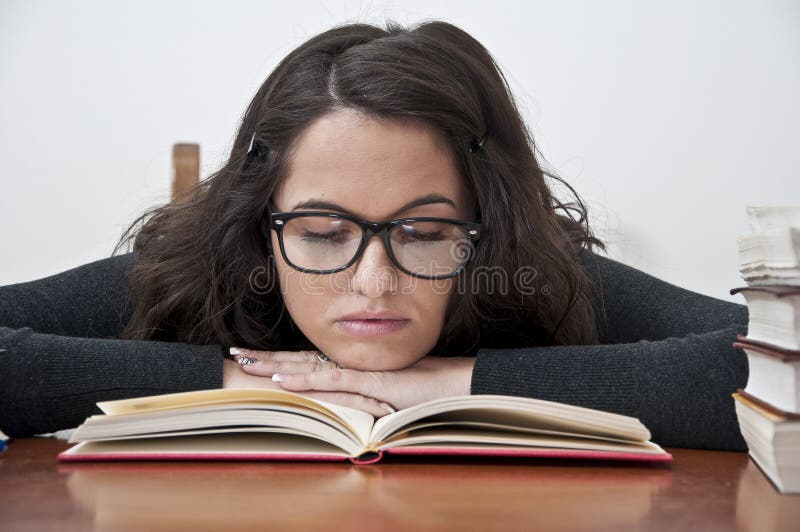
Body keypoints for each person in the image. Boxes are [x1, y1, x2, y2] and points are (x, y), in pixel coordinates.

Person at [0, 20, 748, 450]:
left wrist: (443, 390)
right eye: (324, 233)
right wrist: (266, 392)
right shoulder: (197, 270)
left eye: (424, 232)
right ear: (261, 226)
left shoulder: (534, 275)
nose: (374, 282)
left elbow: (777, 365)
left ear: (483, 228)